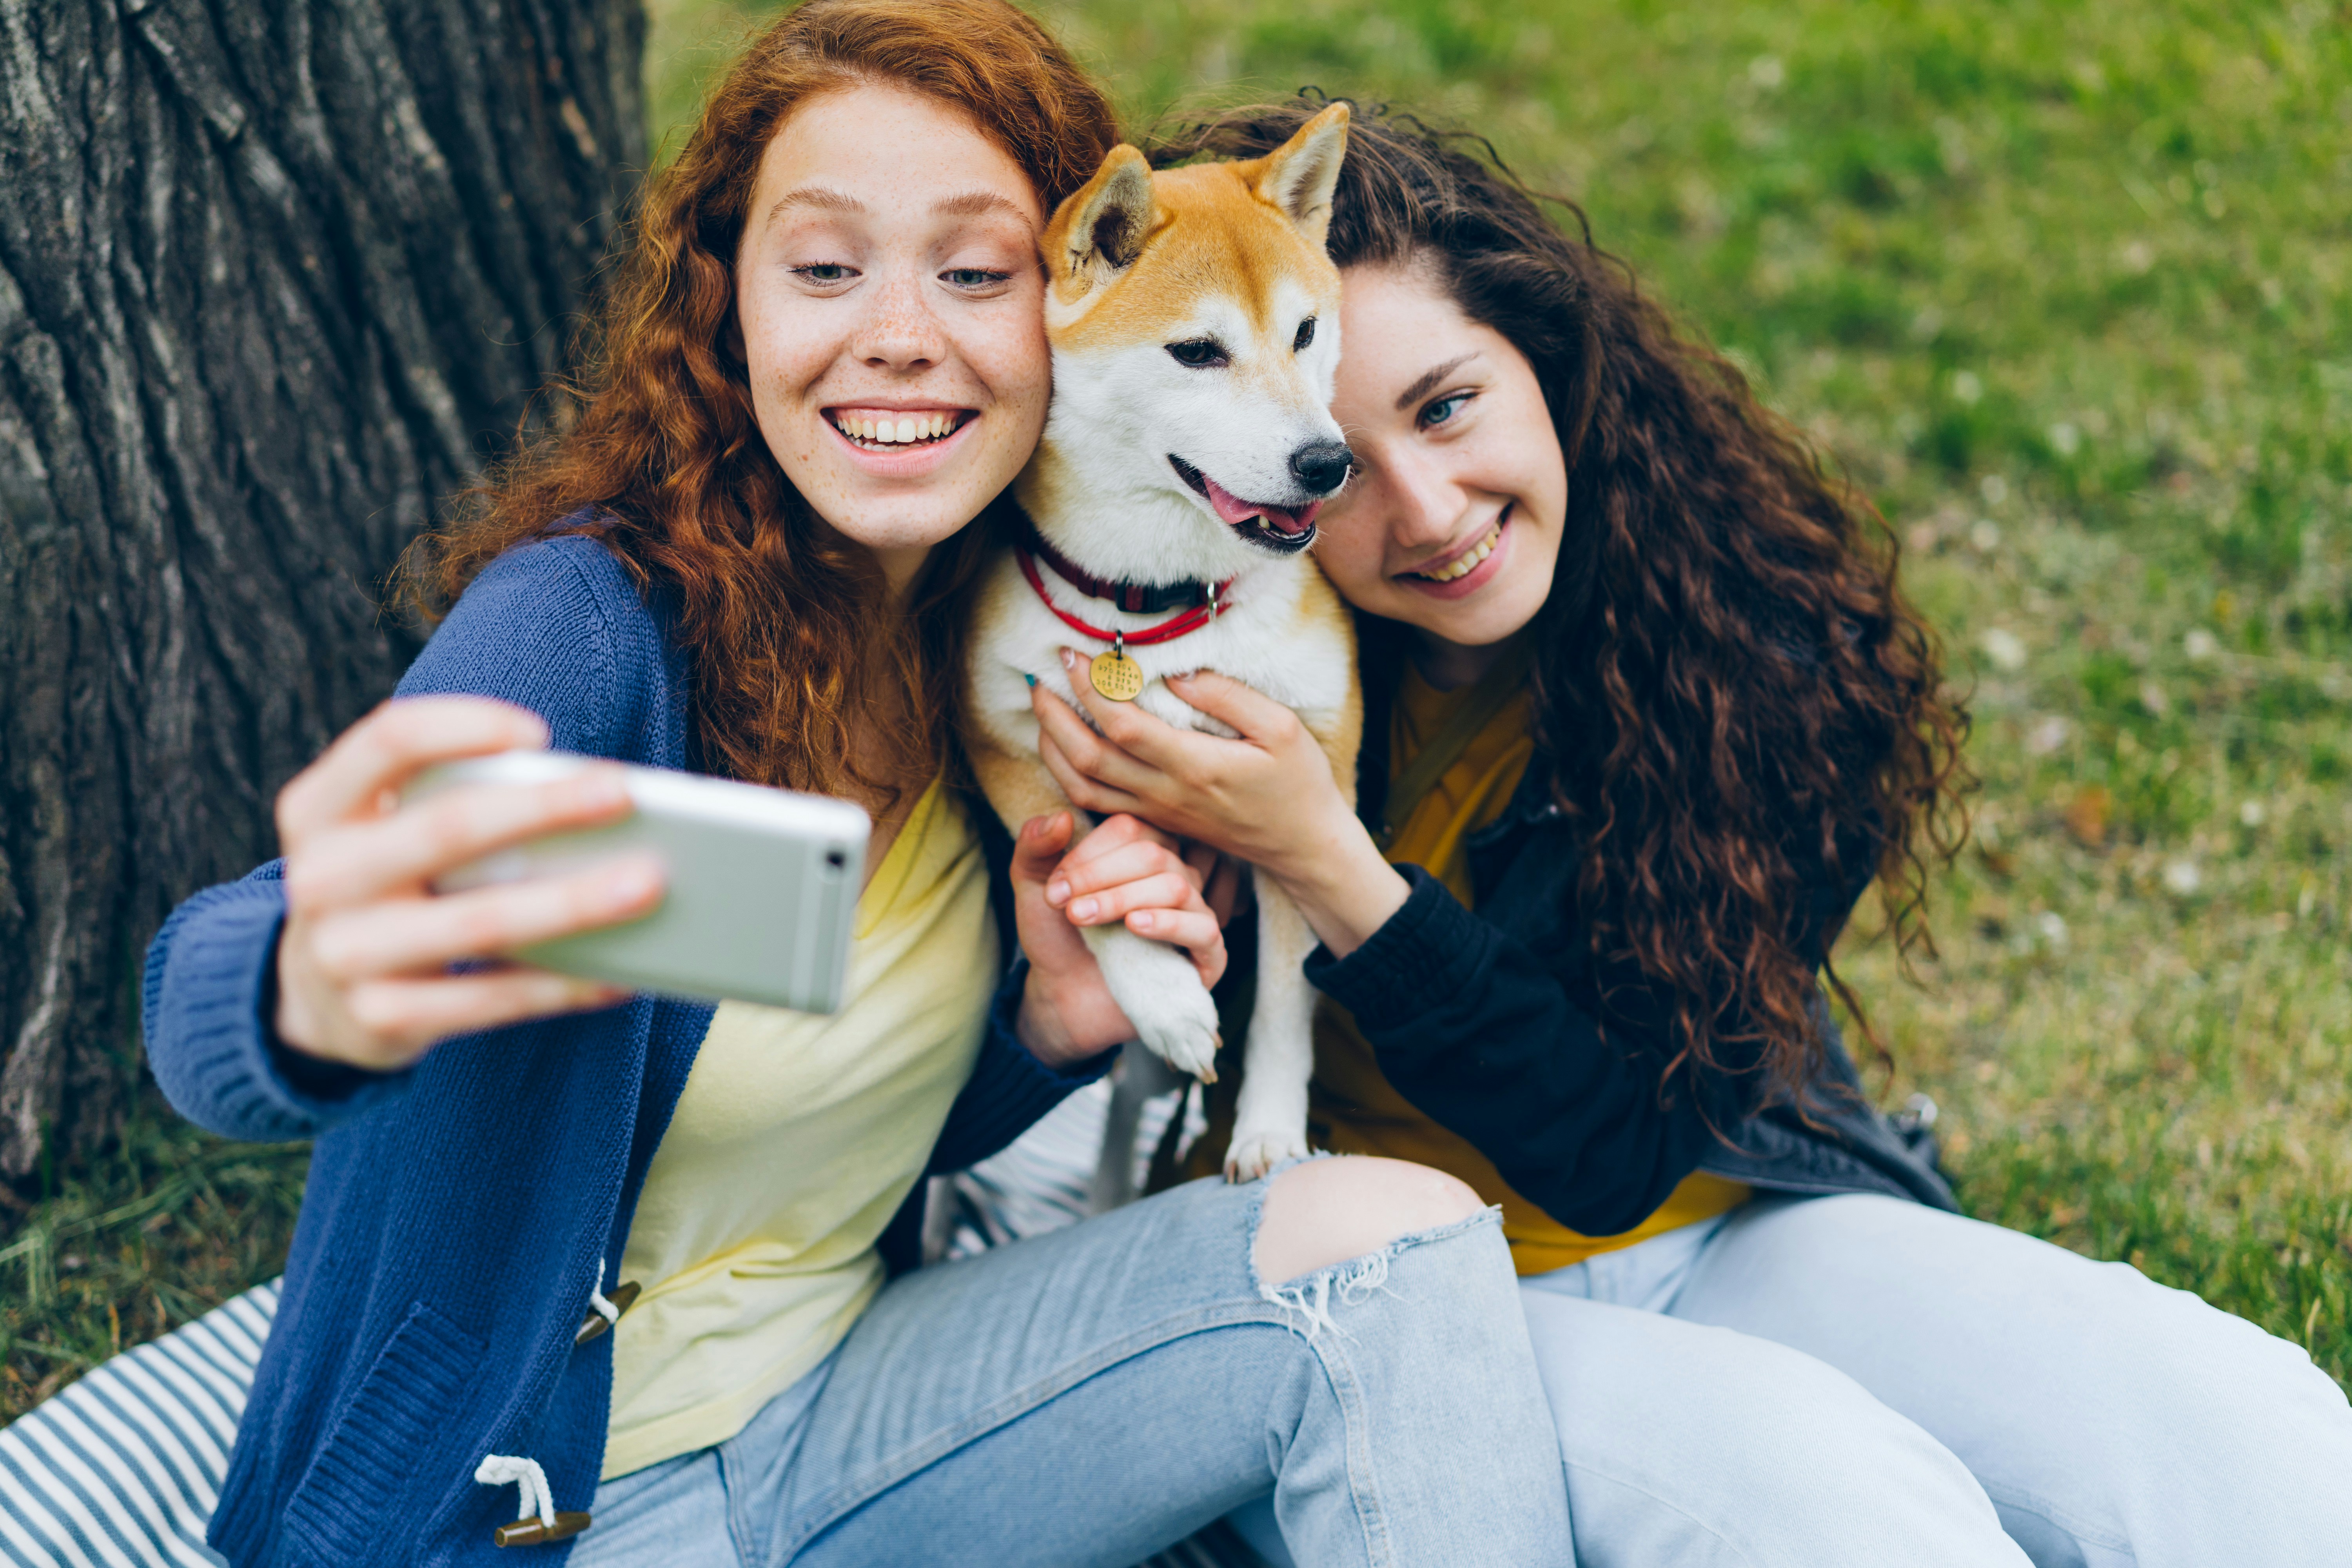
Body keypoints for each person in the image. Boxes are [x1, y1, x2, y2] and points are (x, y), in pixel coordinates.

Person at [139, 25, 1575, 1566]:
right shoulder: (594, 637)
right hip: (528, 1507)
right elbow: (210, 992)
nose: (897, 334)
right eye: (824, 270)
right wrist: (302, 984)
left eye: (972, 273)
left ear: (1070, 300)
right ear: (731, 306)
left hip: (853, 1419)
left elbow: (822, 1135)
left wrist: (1046, 1030)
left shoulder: (994, 643)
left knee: (1393, 1244)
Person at [1033, 98, 2352, 1568]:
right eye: (1338, 446)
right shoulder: (1206, 635)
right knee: (1848, 1520)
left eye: (1451, 406)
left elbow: (1611, 1152)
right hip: (1412, 1282)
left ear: (1548, 364)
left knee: (2232, 1431)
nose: (1421, 508)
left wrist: (1328, 859)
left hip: (1716, 1207)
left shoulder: (1754, 659)